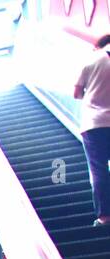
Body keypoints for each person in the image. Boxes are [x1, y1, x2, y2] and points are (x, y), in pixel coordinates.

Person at [74, 34, 110, 227]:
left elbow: (76, 93)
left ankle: (105, 217)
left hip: (94, 124)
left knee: (99, 170)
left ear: (98, 46)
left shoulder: (90, 60)